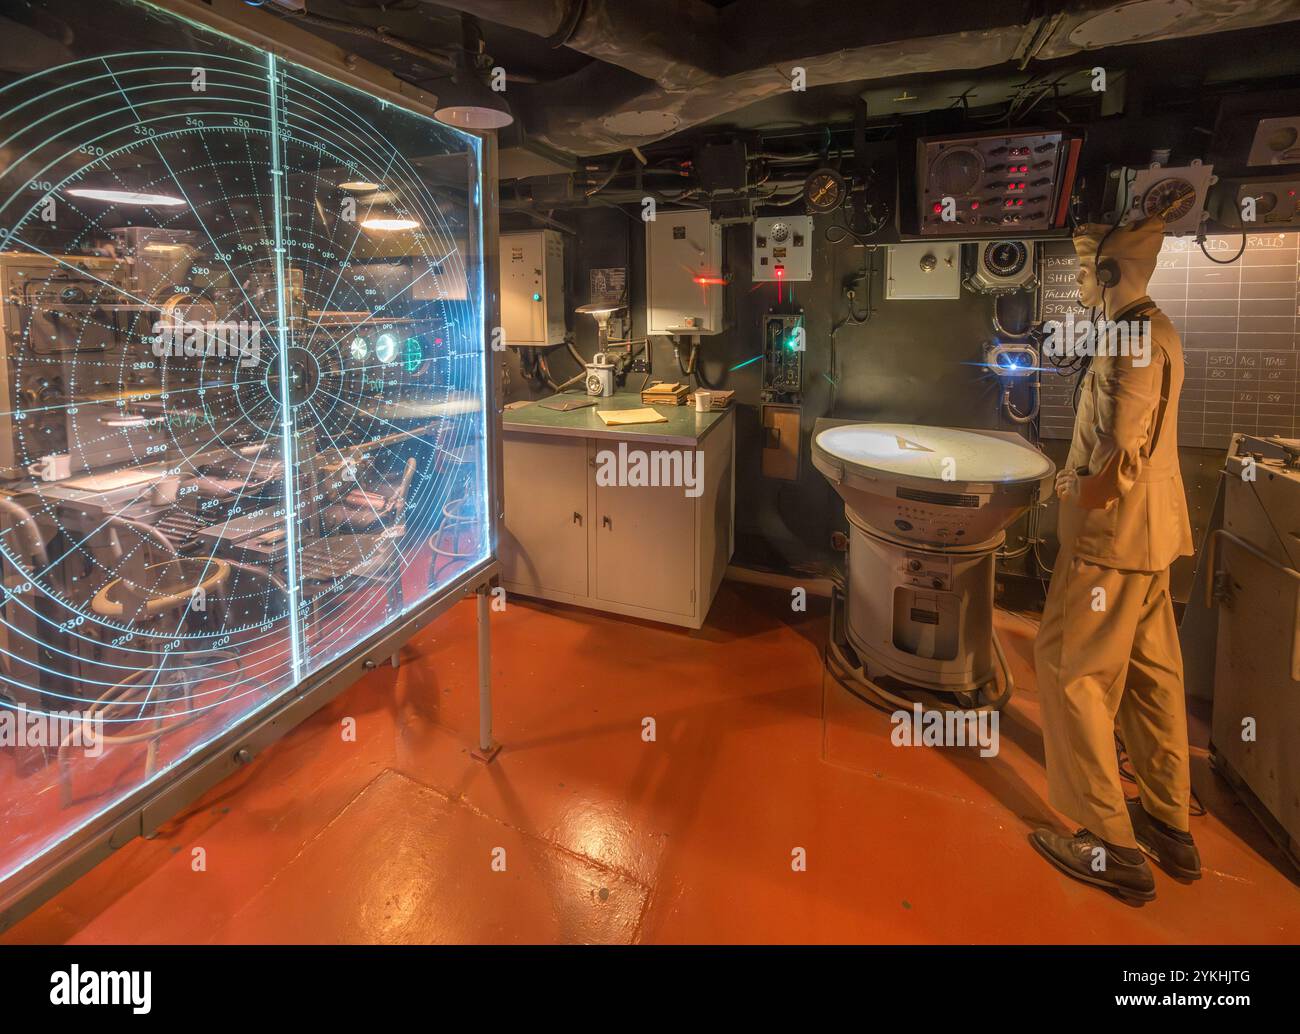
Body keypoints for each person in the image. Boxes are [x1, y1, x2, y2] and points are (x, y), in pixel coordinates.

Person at [1030, 215, 1198, 902]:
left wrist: (1070, 490)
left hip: (1110, 541)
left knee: (1074, 669)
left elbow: (1120, 452)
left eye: (1084, 270)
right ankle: (1167, 821)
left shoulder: (1129, 338)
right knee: (1155, 677)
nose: (1079, 282)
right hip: (1154, 540)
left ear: (1108, 272)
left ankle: (1109, 843)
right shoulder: (1160, 329)